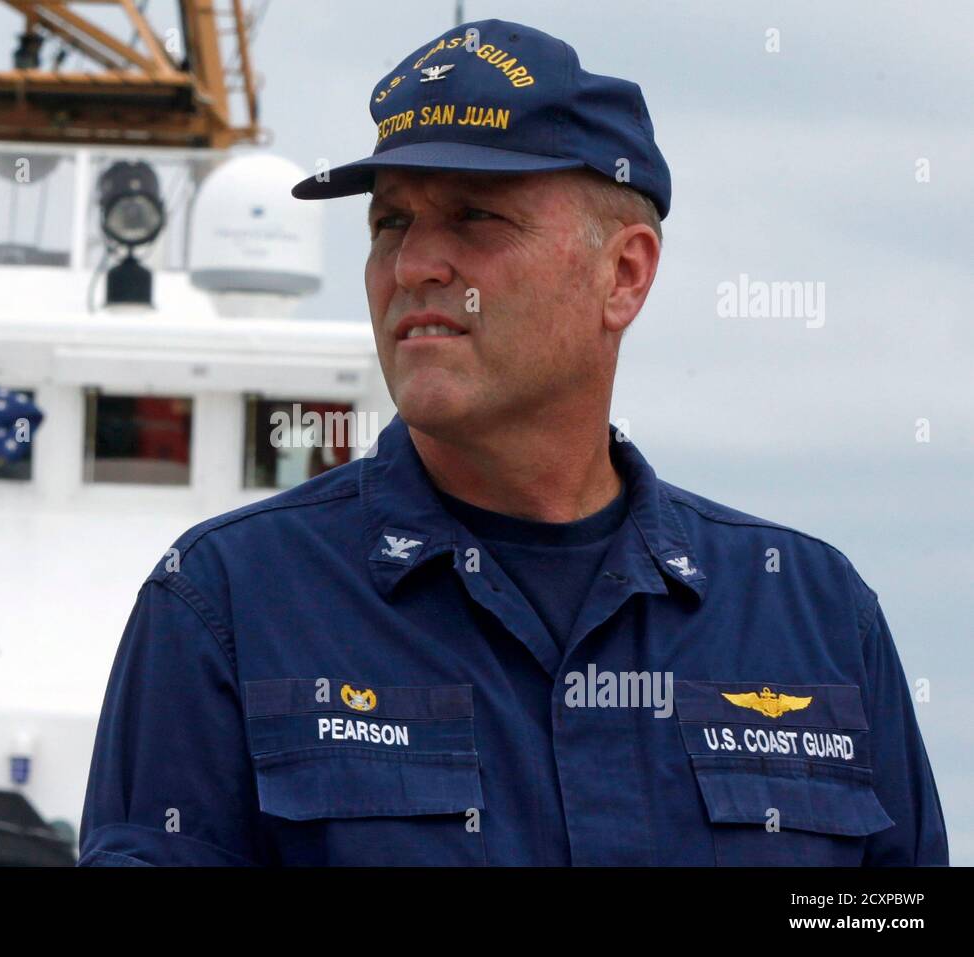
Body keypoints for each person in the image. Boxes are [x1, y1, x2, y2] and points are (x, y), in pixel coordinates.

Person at [78, 18, 947, 866]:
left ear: (624, 274)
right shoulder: (227, 606)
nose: (416, 263)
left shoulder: (817, 617)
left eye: (476, 217)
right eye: (390, 224)